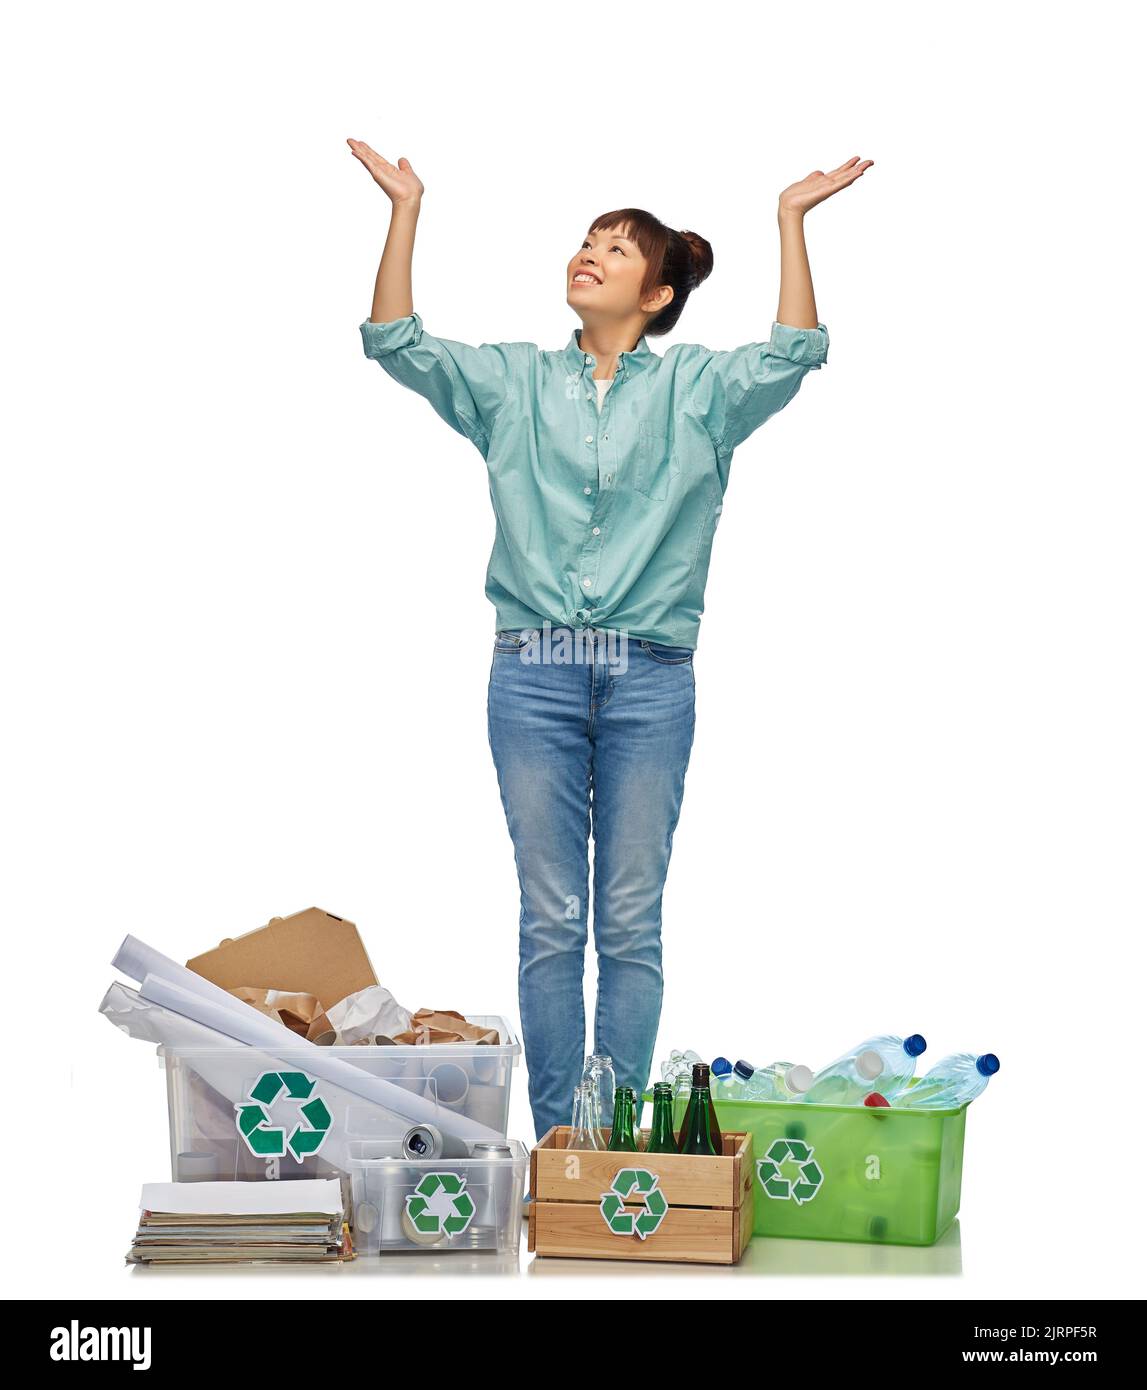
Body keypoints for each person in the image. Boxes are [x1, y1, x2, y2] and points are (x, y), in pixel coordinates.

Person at [349, 138, 873, 1140]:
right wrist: (406, 208)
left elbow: (796, 353)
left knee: (628, 920)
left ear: (659, 293)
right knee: (552, 921)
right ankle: (559, 1147)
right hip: (532, 677)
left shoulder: (700, 394)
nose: (588, 254)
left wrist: (790, 221)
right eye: (586, 240)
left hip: (649, 679)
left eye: (618, 249)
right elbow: (395, 341)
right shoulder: (511, 383)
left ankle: (618, 1136)